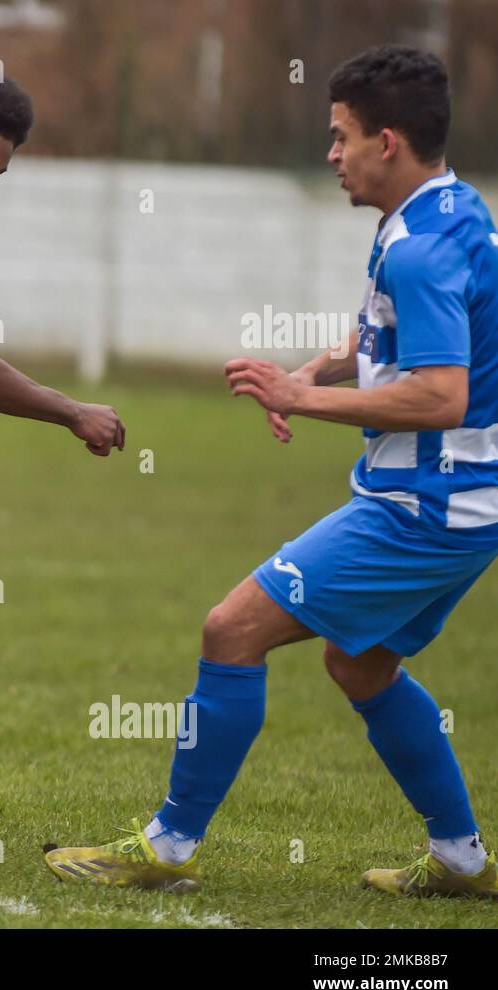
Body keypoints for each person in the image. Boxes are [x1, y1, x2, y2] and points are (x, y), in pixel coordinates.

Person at [45, 45, 496, 898]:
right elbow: (386, 337)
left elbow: (441, 393)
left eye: (341, 136)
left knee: (232, 629)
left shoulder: (419, 246)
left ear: (387, 141)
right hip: (468, 506)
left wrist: (301, 396)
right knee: (358, 666)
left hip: (421, 508)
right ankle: (463, 862)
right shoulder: (449, 211)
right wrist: (316, 376)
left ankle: (164, 850)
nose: (331, 153)